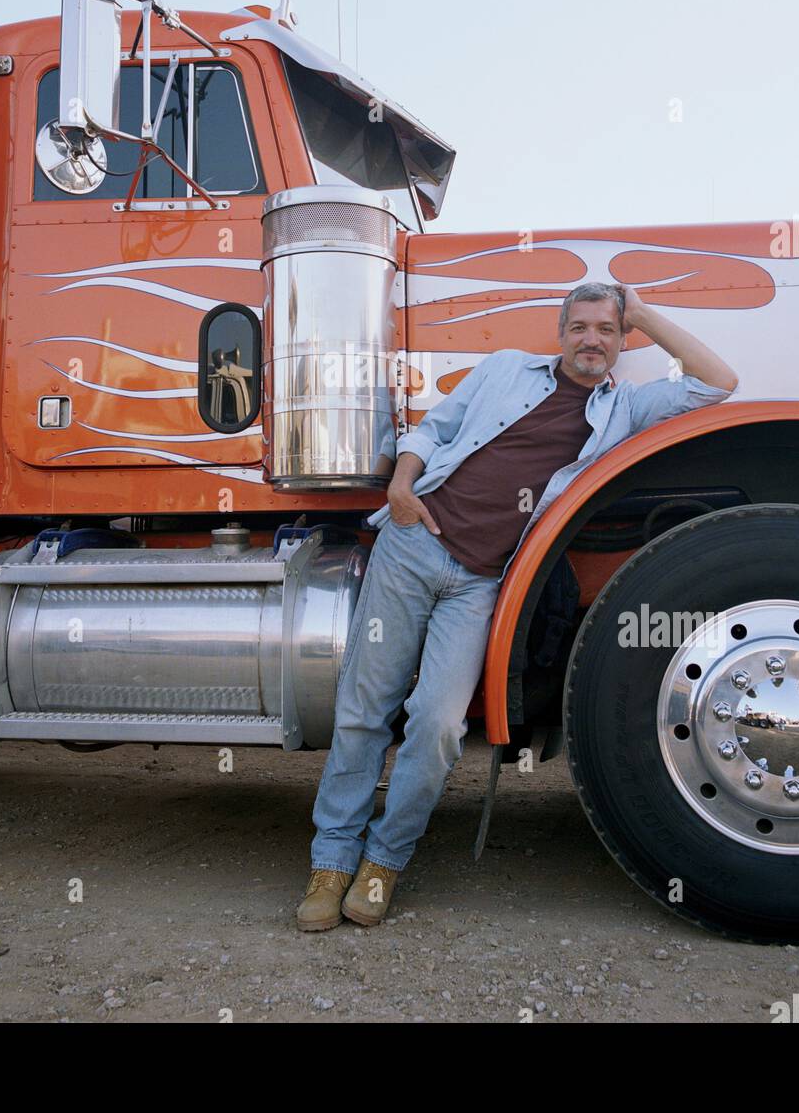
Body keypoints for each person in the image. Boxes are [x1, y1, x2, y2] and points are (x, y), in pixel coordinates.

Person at [296, 281, 738, 930]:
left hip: (480, 584)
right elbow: (434, 427)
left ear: (621, 343)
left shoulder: (625, 410)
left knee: (440, 725)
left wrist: (643, 312)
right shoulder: (505, 368)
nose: (593, 339)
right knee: (366, 708)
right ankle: (331, 860)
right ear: (563, 333)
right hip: (414, 546)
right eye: (582, 326)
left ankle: (385, 860)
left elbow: (718, 382)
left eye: (609, 330)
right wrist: (400, 488)